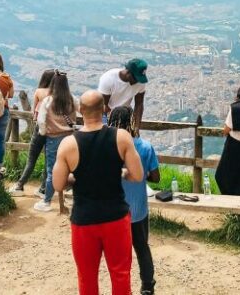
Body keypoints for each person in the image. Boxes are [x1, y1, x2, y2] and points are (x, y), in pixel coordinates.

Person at [52, 91, 143, 295]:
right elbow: (137, 175)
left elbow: (58, 185)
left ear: (80, 111)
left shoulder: (68, 144)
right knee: (120, 274)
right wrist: (121, 173)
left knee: (87, 276)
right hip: (116, 218)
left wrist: (75, 178)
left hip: (84, 220)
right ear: (103, 109)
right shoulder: (121, 137)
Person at [109, 106, 160, 295]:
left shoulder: (109, 146)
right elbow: (156, 177)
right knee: (141, 247)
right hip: (138, 210)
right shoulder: (145, 147)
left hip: (114, 210)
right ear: (132, 121)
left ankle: (122, 286)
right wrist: (141, 173)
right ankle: (147, 285)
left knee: (118, 253)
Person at [34, 70, 78, 212]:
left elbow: (41, 120)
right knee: (73, 168)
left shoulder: (47, 100)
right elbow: (83, 110)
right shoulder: (72, 99)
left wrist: (43, 132)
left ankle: (46, 201)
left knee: (52, 170)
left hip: (53, 138)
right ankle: (75, 198)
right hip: (70, 138)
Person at [9, 68, 55, 197]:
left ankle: (20, 186)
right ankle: (43, 189)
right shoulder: (58, 93)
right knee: (48, 160)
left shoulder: (39, 92)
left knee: (31, 158)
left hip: (40, 129)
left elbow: (33, 112)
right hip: (53, 129)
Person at [97, 58, 148, 129]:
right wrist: (104, 127)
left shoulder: (140, 82)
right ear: (128, 72)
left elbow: (139, 104)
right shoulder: (108, 79)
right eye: (136, 78)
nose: (138, 82)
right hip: (107, 113)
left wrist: (136, 128)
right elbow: (103, 106)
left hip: (125, 114)